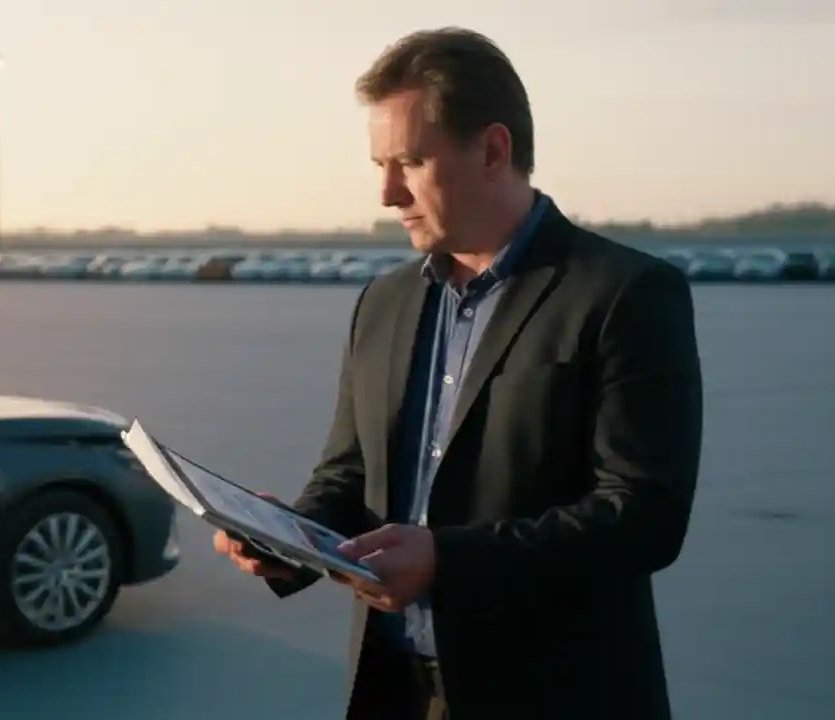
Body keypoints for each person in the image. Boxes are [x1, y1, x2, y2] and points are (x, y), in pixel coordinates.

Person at [214, 26, 703, 719]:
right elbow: (350, 477)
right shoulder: (381, 304)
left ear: (493, 151)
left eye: (410, 162)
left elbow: (643, 518)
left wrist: (448, 560)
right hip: (394, 690)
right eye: (379, 164)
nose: (387, 193)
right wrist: (291, 537)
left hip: (557, 695)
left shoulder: (624, 292)